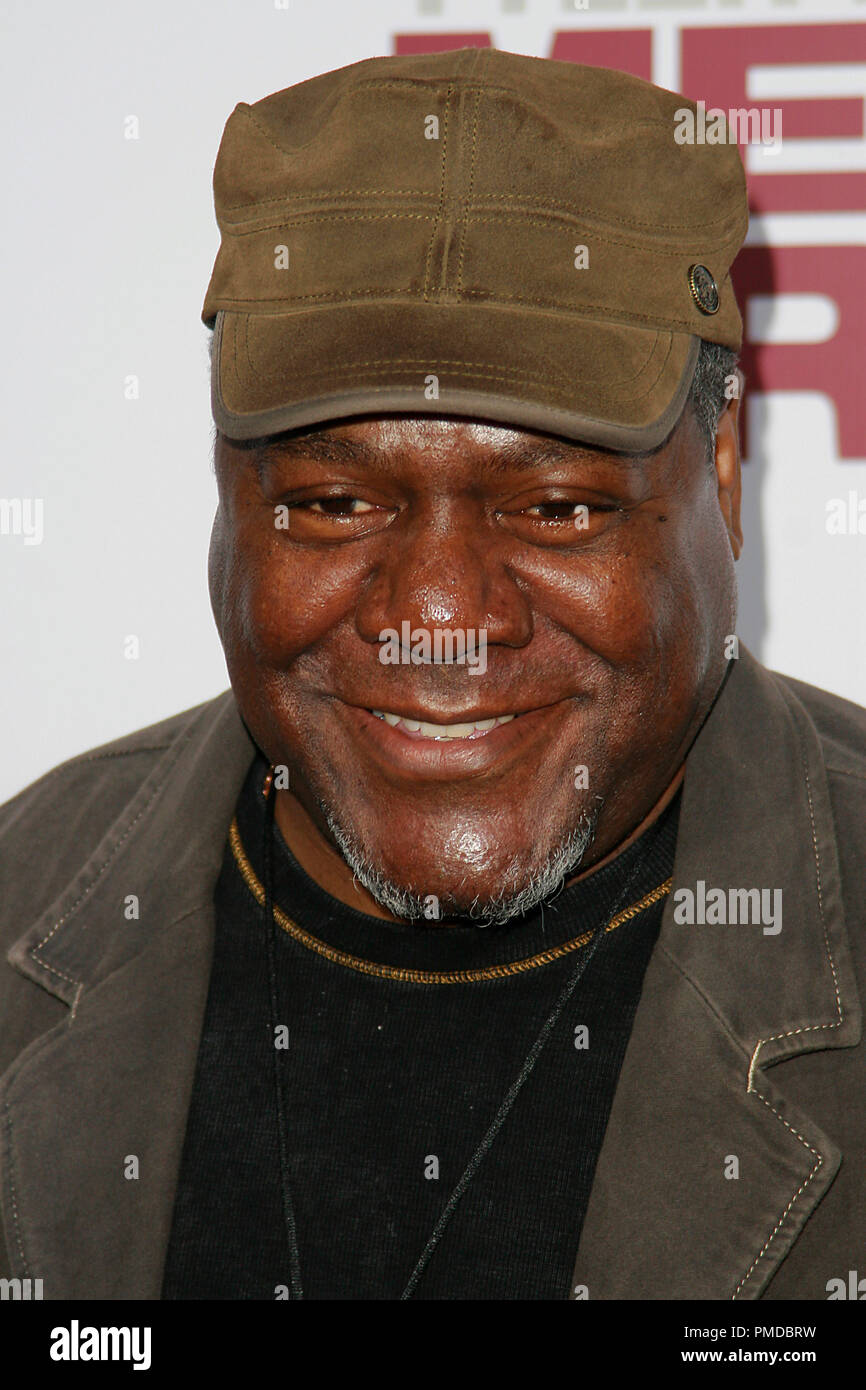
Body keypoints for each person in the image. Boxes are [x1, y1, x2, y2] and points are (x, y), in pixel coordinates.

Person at [1, 47, 864, 1302]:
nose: (439, 620)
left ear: (720, 473)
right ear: (226, 501)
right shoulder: (23, 911)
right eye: (335, 502)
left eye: (557, 508)